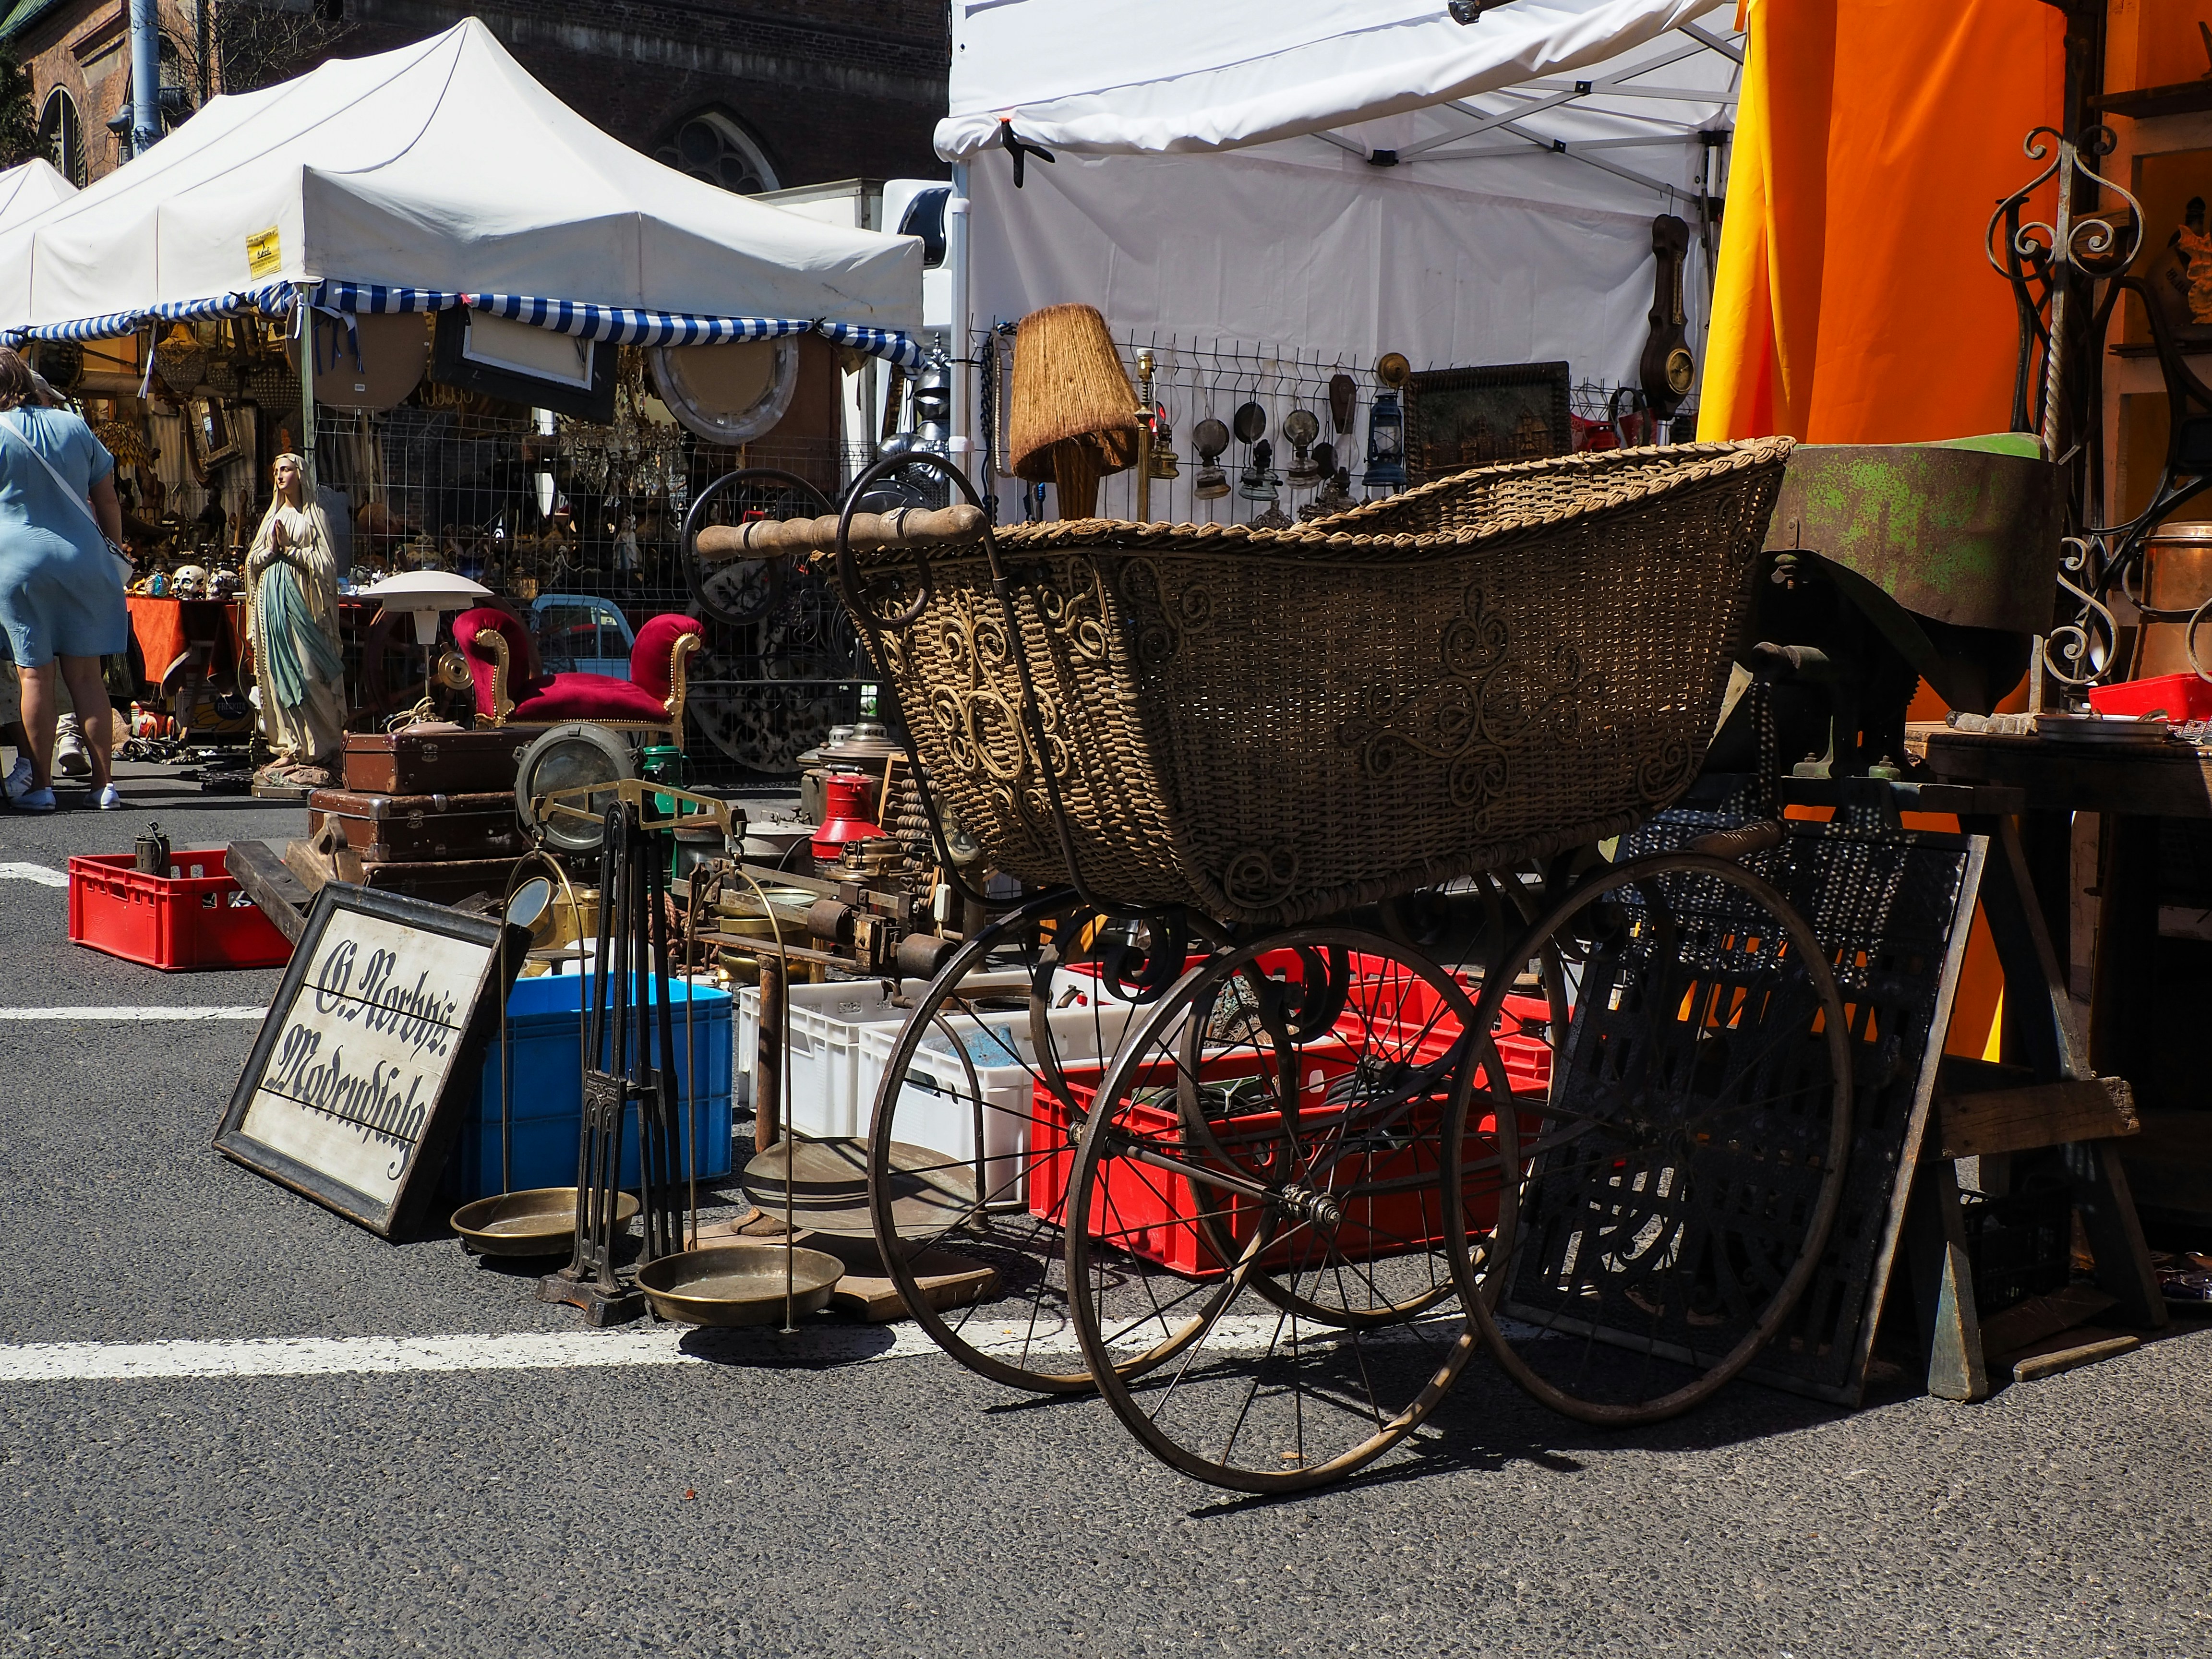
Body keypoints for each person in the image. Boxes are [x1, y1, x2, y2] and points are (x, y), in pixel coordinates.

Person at [0, 345, 127, 812]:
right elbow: (108, 500)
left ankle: (41, 787)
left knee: (35, 676)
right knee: (88, 678)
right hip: (86, 559)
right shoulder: (75, 426)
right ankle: (104, 786)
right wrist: (114, 551)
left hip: (18, 563)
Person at [245, 453, 346, 787]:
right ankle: (291, 744)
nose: (279, 476)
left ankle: (324, 744)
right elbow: (252, 562)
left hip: (304, 604)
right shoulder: (272, 516)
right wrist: (271, 552)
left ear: (301, 475)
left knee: (308, 671)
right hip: (272, 605)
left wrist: (290, 551)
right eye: (275, 471)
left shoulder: (314, 516)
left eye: (286, 470)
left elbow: (328, 565)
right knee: (277, 675)